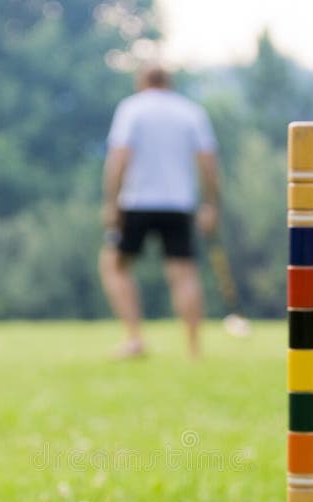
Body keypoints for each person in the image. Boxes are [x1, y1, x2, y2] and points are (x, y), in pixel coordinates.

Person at [99, 64, 220, 358]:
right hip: (179, 205)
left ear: (141, 82)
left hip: (137, 202)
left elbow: (119, 158)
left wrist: (111, 203)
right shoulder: (191, 112)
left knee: (114, 266)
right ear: (170, 83)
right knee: (184, 274)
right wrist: (211, 205)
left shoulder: (132, 109)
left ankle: (134, 338)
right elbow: (208, 163)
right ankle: (194, 349)